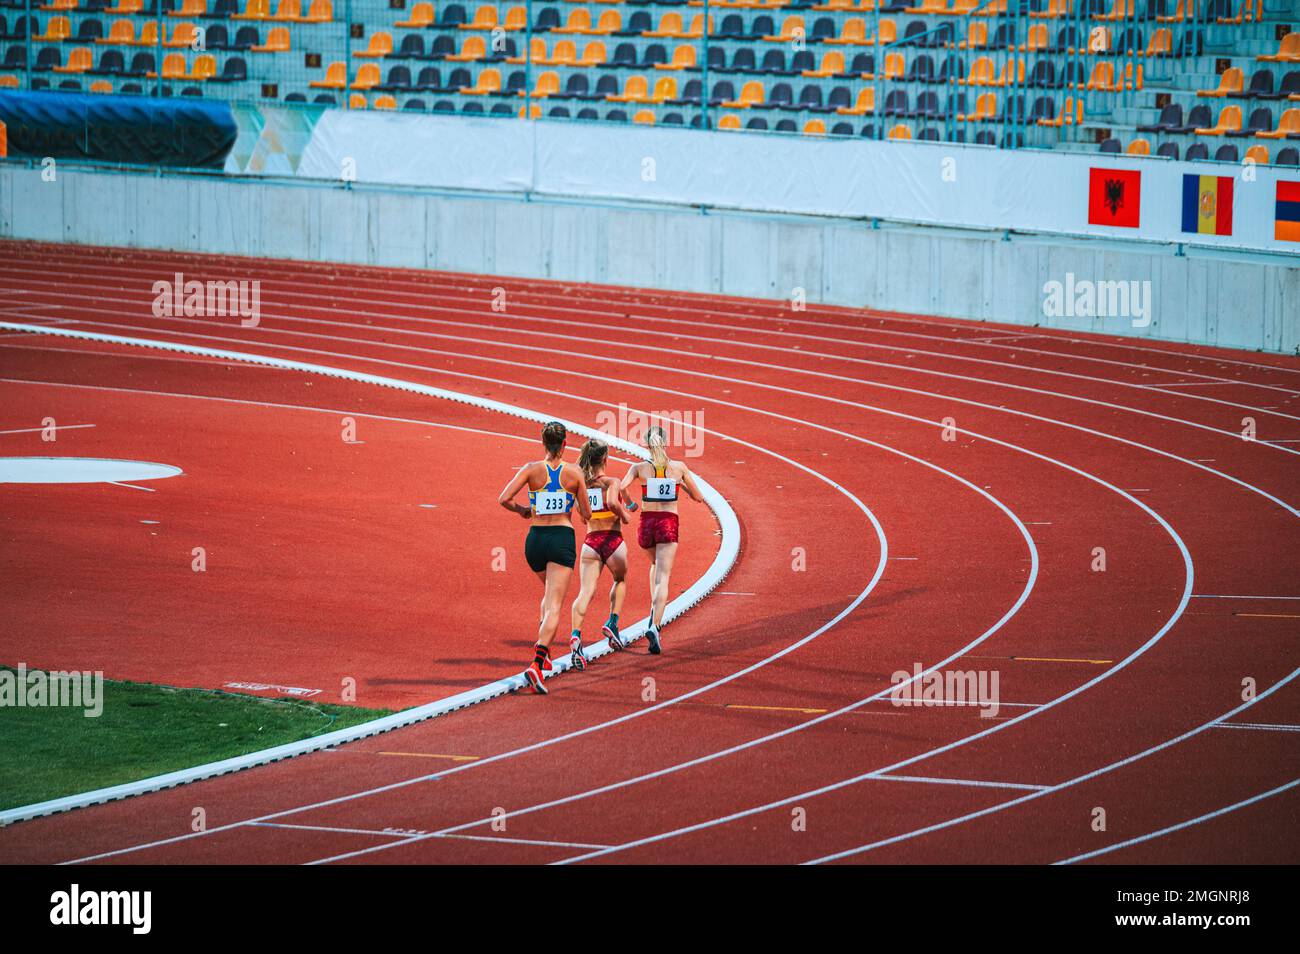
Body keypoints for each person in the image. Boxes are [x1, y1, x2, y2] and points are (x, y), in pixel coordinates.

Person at [498, 421, 591, 694]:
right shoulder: (574, 474)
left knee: (549, 595)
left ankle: (546, 656)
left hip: (535, 541)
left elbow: (503, 498)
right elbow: (586, 513)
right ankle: (537, 664)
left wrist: (523, 511)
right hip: (561, 539)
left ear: (543, 443)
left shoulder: (530, 470)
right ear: (564, 444)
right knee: (554, 605)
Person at [619, 425, 703, 654]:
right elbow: (699, 498)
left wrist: (629, 503)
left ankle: (652, 611)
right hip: (667, 523)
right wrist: (681, 485)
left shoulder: (638, 468)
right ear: (665, 443)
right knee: (663, 577)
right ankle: (655, 625)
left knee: (655, 565)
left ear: (646, 444)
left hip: (646, 525)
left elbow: (621, 487)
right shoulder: (678, 468)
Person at [570, 439, 633, 658]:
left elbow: (580, 512)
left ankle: (576, 635)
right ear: (605, 459)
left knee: (585, 591)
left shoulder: (582, 485)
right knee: (620, 580)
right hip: (613, 540)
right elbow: (613, 503)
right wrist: (625, 516)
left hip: (591, 542)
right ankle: (612, 622)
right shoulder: (611, 481)